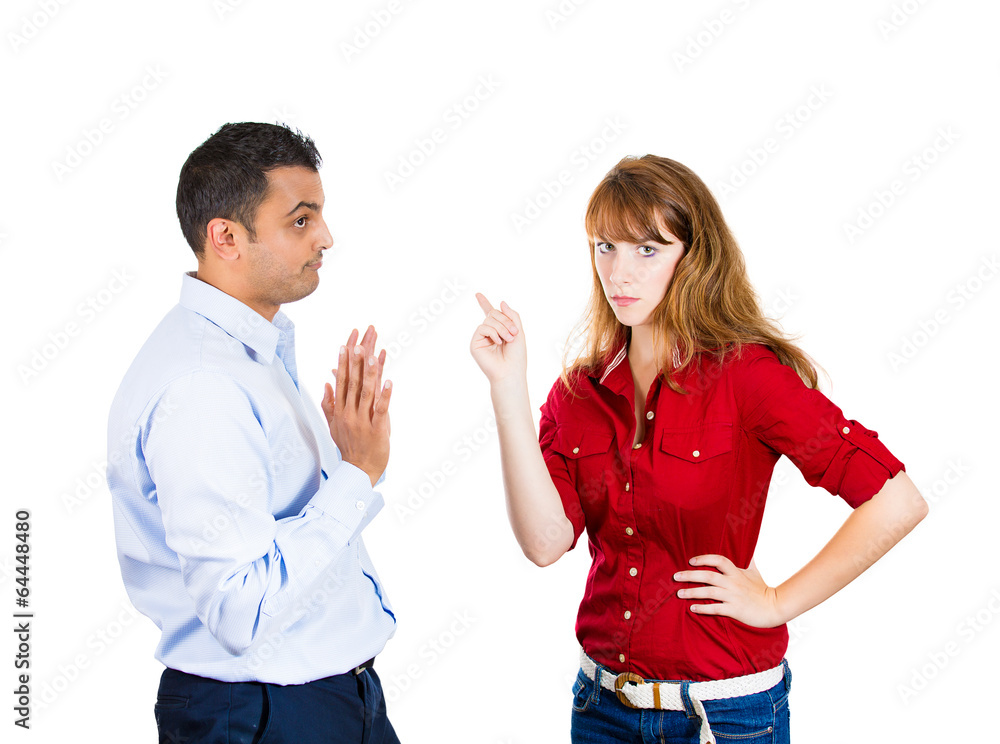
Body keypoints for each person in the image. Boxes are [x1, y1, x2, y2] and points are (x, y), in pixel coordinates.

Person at [470, 155, 928, 743]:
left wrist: (776, 603)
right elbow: (544, 542)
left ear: (694, 256)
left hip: (723, 717)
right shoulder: (577, 393)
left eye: (648, 249)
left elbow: (898, 501)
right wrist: (507, 388)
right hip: (602, 709)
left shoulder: (748, 378)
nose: (620, 274)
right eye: (604, 247)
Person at [107, 122, 400, 744]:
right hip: (267, 716)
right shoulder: (201, 387)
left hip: (327, 701)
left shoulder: (248, 353)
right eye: (300, 220)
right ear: (225, 237)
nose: (325, 237)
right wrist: (356, 474)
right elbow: (243, 610)